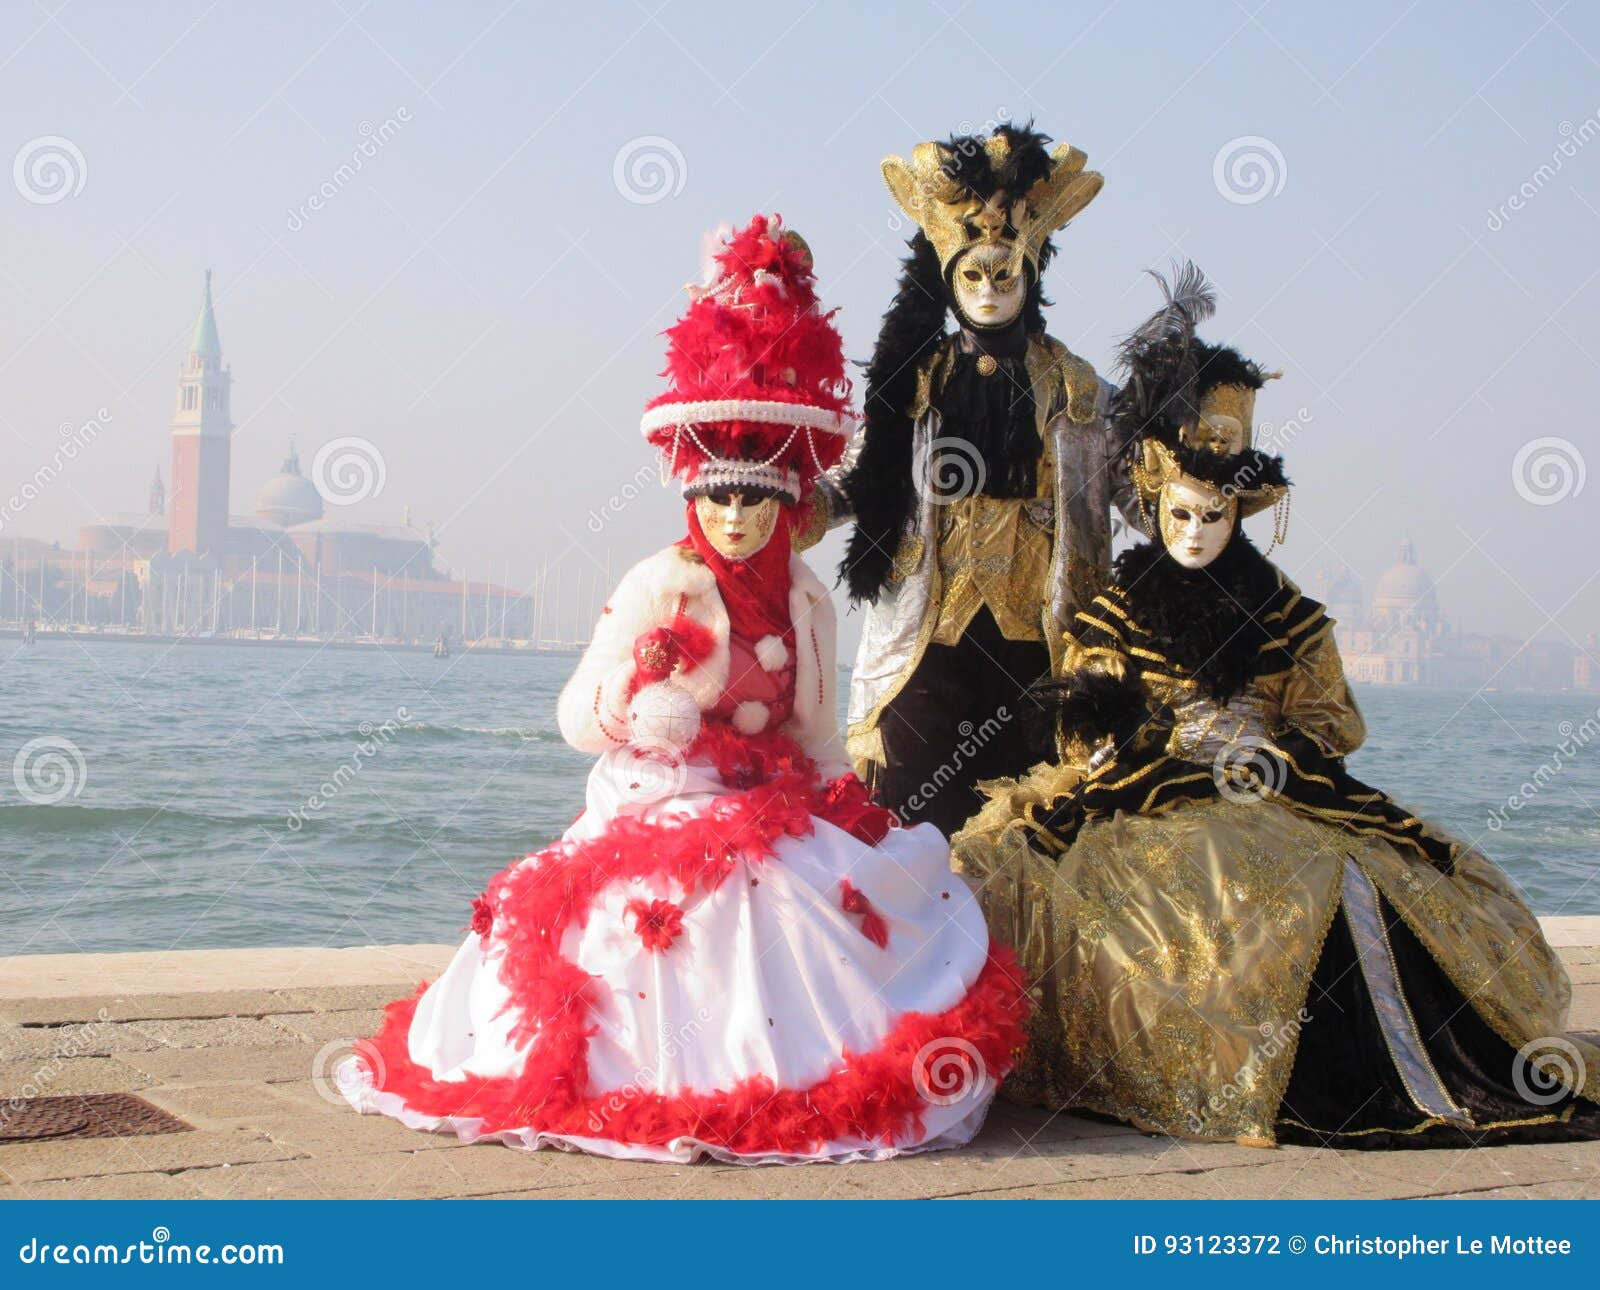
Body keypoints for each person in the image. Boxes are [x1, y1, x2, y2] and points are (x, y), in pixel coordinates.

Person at [339, 215, 1029, 1165]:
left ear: (788, 504)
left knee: (867, 895)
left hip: (774, 799)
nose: (736, 518)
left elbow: (820, 735)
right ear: (691, 498)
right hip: (659, 795)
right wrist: (641, 712)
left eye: (757, 498)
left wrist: (852, 812)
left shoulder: (808, 599)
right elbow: (577, 715)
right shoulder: (656, 582)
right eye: (718, 497)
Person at [951, 266, 1600, 1148]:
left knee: (1360, 870)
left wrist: (1256, 740)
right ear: (1157, 505)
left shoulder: (1286, 612)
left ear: (1241, 513)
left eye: (1214, 516)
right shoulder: (1114, 611)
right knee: (1019, 860)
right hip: (1148, 786)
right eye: (1179, 514)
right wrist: (1143, 738)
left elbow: (1332, 723)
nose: (1193, 533)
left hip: (1273, 783)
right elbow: (1084, 724)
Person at [807, 122, 1142, 835]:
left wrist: (1207, 483)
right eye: (972, 274)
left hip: (1045, 644)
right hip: (928, 640)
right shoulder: (914, 381)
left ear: (1032, 274)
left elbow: (1142, 498)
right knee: (910, 826)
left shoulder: (1082, 393)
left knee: (1032, 834)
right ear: (948, 279)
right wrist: (792, 507)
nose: (989, 290)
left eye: (1005, 273)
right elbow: (859, 477)